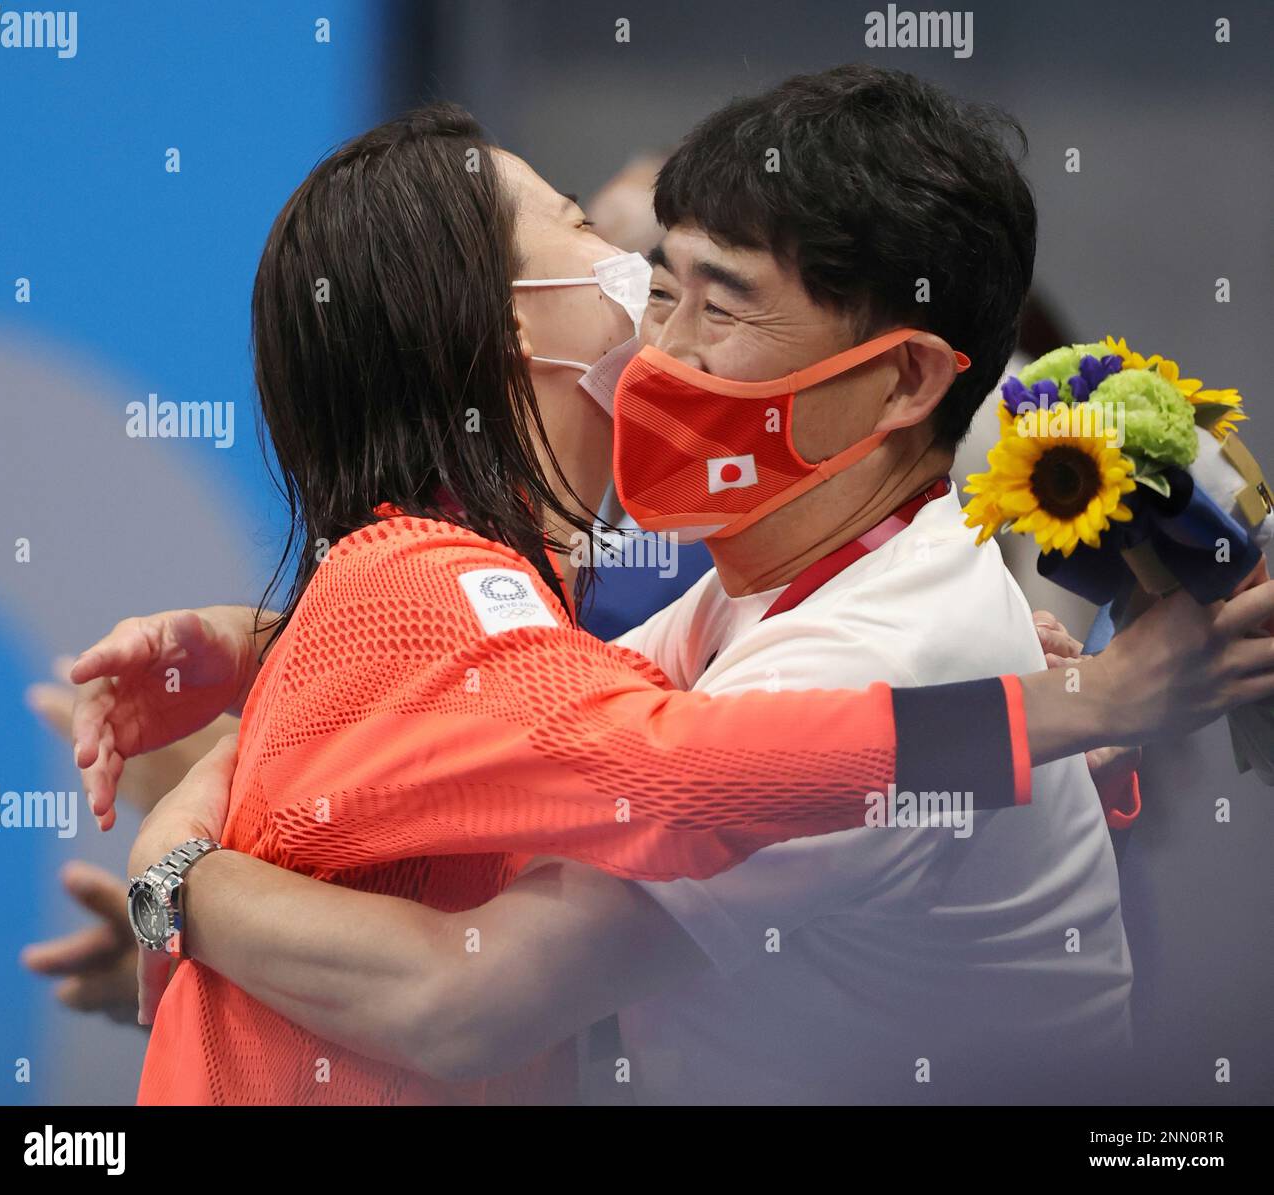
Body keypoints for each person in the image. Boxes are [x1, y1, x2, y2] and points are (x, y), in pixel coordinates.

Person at [68, 85, 1274, 1106]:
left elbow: (467, 982)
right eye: (648, 277)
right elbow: (623, 749)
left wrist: (182, 863)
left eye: (718, 301)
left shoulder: (867, 637)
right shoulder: (502, 594)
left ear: (902, 378)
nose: (658, 345)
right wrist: (1073, 708)